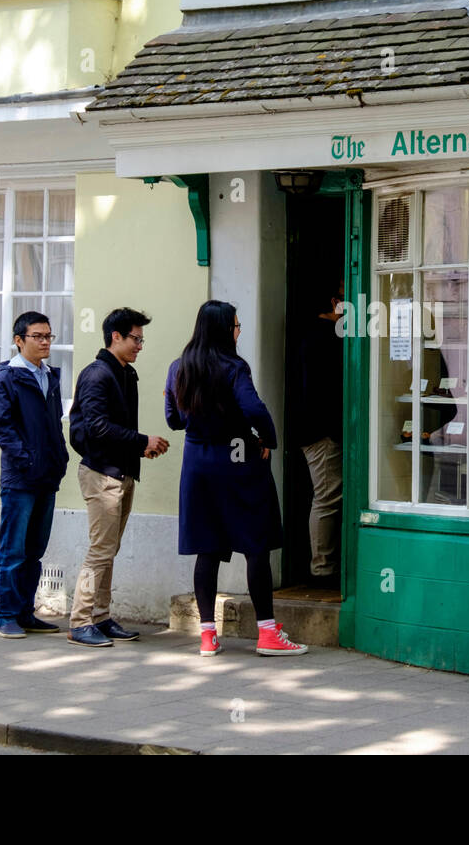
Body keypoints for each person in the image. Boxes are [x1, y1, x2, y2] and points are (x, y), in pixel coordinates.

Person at [166, 300, 307, 657]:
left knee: (207, 547)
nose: (239, 331)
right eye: (236, 326)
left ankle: (208, 636)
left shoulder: (178, 367)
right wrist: (269, 440)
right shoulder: (233, 366)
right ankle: (267, 633)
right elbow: (254, 408)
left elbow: (174, 420)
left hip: (197, 463)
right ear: (223, 330)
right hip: (237, 457)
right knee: (255, 543)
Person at [67, 308, 168, 647]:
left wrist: (141, 450)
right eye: (135, 338)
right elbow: (95, 427)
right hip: (101, 474)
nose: (140, 345)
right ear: (116, 337)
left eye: (141, 339)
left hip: (120, 472)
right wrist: (141, 442)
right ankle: (80, 621)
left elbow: (114, 428)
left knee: (108, 550)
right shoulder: (98, 375)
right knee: (100, 550)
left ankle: (101, 617)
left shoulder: (125, 374)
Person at [0, 312, 70, 639]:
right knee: (13, 551)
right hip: (20, 480)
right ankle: (4, 616)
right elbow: (1, 428)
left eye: (49, 336)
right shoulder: (9, 378)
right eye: (38, 336)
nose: (45, 342)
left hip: (46, 478)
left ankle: (25, 612)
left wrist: (59, 459)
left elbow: (55, 425)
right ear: (19, 341)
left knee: (34, 552)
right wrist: (26, 459)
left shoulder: (50, 376)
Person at [296, 278, 343, 589]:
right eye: (344, 297)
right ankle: (322, 569)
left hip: (320, 429)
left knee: (327, 497)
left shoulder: (321, 334)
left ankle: (324, 565)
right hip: (321, 432)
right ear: (332, 302)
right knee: (326, 498)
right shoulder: (323, 336)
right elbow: (324, 390)